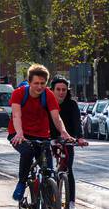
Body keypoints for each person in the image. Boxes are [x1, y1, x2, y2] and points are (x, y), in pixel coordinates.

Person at [9, 64, 73, 202]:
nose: (39, 87)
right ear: (29, 82)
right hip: (19, 134)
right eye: (36, 83)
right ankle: (21, 183)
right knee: (27, 152)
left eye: (42, 83)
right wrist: (19, 133)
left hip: (42, 136)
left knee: (48, 172)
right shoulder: (19, 93)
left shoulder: (48, 95)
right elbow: (16, 116)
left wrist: (64, 132)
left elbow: (56, 117)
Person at [49, 76, 88, 209]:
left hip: (67, 139)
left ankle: (71, 203)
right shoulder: (46, 103)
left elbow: (77, 122)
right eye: (58, 89)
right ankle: (47, 198)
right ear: (52, 90)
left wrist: (80, 137)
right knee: (47, 169)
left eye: (64, 90)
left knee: (68, 169)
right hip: (49, 138)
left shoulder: (71, 104)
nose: (61, 92)